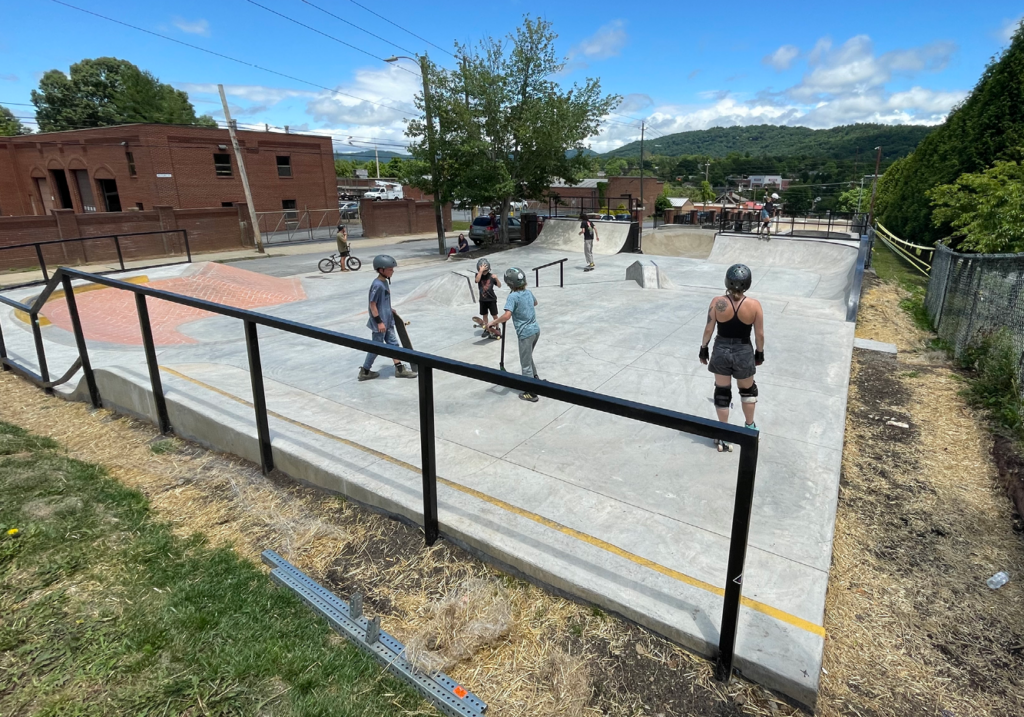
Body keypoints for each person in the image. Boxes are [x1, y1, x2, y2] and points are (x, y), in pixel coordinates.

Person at [698, 264, 765, 451]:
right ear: (748, 284)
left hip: (721, 351)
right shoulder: (754, 305)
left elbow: (709, 328)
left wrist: (704, 348)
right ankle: (750, 428)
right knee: (748, 391)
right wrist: (759, 353)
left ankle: (724, 435)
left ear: (727, 281)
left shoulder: (717, 302)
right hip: (744, 352)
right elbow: (759, 335)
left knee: (722, 392)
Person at [358, 255, 417, 381]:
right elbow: (372, 304)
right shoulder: (377, 285)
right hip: (380, 323)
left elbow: (382, 302)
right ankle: (365, 371)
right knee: (376, 347)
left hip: (388, 320)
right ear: (381, 270)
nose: (393, 271)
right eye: (390, 269)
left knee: (393, 344)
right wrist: (379, 322)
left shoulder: (384, 282)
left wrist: (389, 309)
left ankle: (399, 369)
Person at [487, 267, 541, 402]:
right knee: (528, 357)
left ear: (509, 283)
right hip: (535, 331)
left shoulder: (512, 296)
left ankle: (531, 392)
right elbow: (535, 302)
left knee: (525, 363)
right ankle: (536, 380)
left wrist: (494, 322)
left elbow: (506, 316)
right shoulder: (528, 292)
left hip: (525, 334)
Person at [474, 258, 502, 339]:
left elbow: (499, 285)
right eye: (483, 270)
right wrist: (480, 271)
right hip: (483, 300)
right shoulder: (478, 275)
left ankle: (497, 328)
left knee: (495, 316)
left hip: (491, 299)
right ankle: (486, 329)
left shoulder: (491, 276)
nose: (484, 272)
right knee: (484, 315)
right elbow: (477, 280)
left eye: (485, 271)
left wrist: (496, 278)